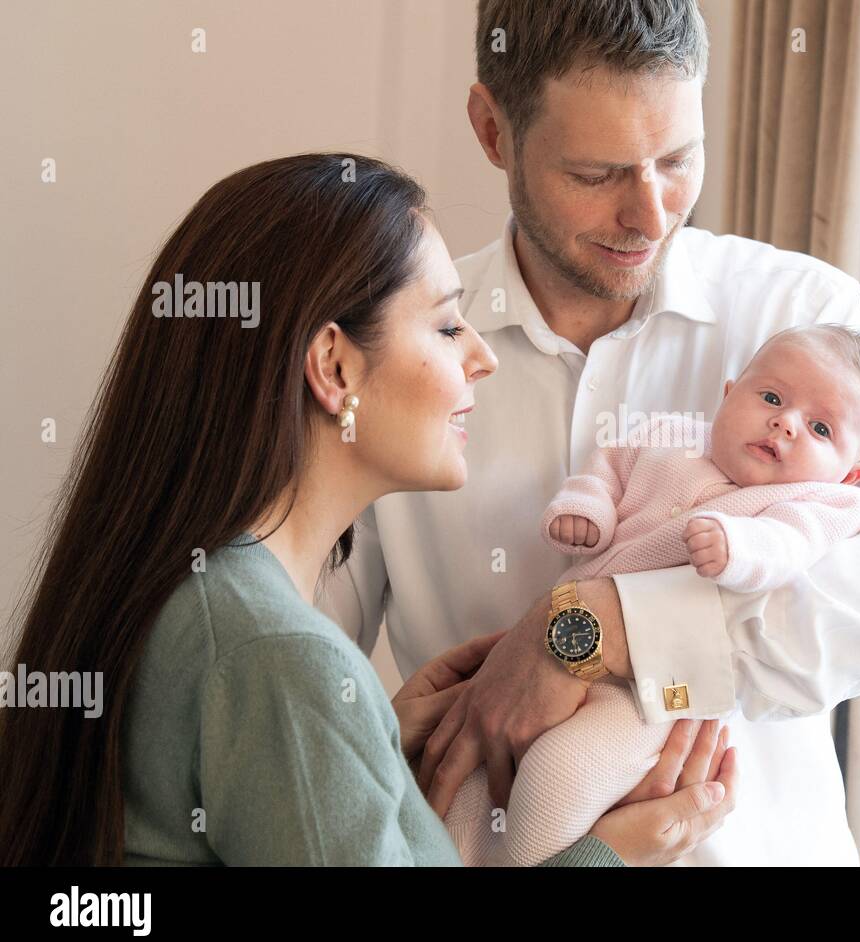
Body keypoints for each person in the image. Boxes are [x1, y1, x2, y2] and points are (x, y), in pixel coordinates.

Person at [320, 0, 860, 865]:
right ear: (493, 130)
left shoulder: (801, 316)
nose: (649, 214)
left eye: (678, 159)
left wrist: (609, 627)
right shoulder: (400, 348)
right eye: (596, 174)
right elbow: (301, 653)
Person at [0, 153, 736, 866]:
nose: (481, 355)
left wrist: (371, 755)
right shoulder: (277, 656)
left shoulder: (204, 602)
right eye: (448, 326)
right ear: (334, 366)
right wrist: (610, 857)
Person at [446, 323, 860, 865]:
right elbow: (609, 466)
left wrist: (741, 547)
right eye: (771, 397)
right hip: (547, 653)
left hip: (651, 696)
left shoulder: (820, 501)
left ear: (850, 475)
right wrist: (588, 507)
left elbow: (792, 544)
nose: (785, 422)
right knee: (471, 779)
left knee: (557, 771)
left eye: (821, 428)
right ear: (729, 397)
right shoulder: (670, 435)